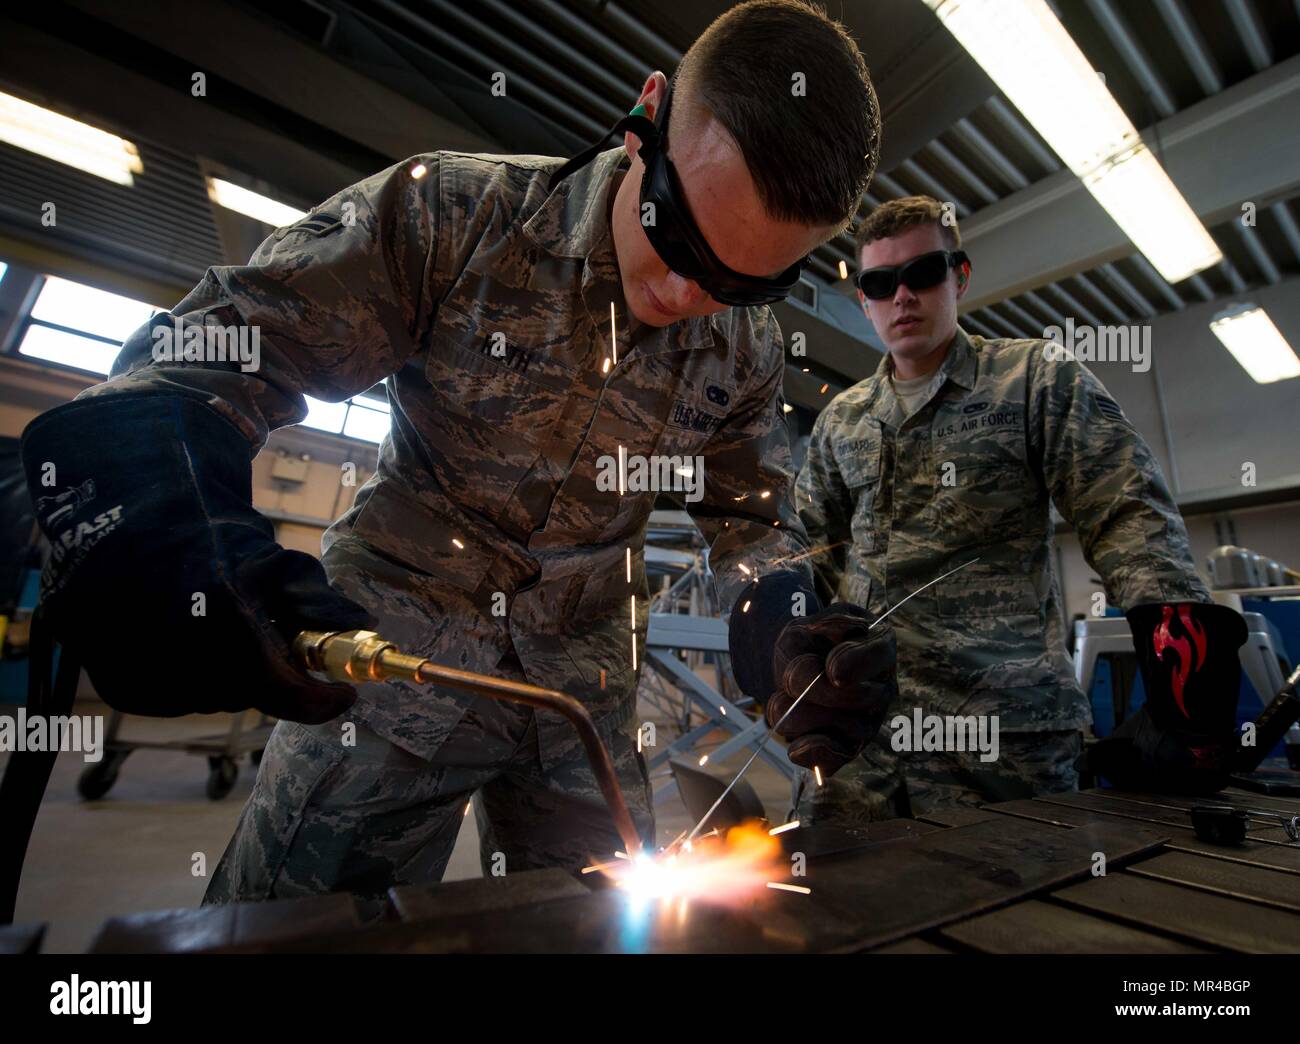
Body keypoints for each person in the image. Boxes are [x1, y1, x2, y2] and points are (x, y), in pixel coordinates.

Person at [19, 0, 887, 913]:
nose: (683, 293)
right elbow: (208, 356)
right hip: (389, 666)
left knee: (612, 921)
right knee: (298, 935)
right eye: (676, 234)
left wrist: (787, 624)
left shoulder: (745, 351)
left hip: (585, 692)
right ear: (646, 116)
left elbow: (751, 525)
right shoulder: (454, 217)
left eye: (740, 284)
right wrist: (167, 508)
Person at [746, 194, 1238, 826]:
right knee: (854, 915)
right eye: (880, 282)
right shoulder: (845, 419)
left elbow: (1126, 509)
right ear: (864, 298)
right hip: (866, 753)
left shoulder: (1035, 379)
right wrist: (781, 651)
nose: (903, 296)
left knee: (1019, 921)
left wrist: (1178, 651)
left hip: (1005, 746)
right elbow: (807, 552)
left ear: (960, 275)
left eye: (923, 274)